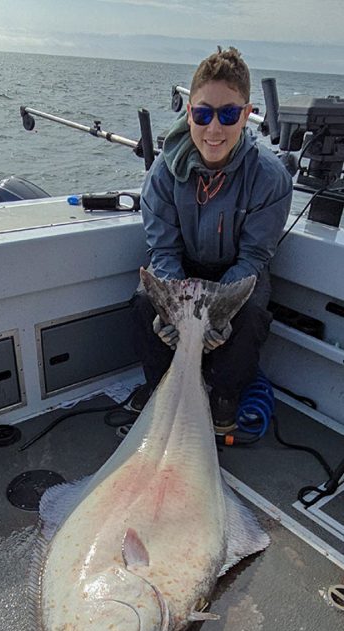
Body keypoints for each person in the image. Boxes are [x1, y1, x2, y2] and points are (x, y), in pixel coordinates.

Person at [129, 46, 293, 433]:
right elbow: (163, 251)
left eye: (228, 114)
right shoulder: (161, 175)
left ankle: (223, 398)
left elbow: (254, 257)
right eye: (202, 114)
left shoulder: (270, 178)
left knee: (250, 315)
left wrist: (212, 315)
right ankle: (161, 393)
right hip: (182, 266)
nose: (214, 129)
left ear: (247, 114)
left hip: (238, 270)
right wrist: (176, 310)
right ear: (189, 113)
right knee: (142, 304)